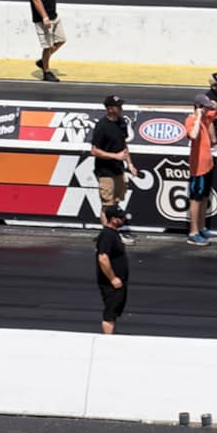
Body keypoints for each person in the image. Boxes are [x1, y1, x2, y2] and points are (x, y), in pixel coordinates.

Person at [88, 95, 135, 240]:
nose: (121, 108)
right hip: (105, 171)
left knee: (116, 202)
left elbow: (124, 146)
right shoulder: (102, 126)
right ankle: (109, 235)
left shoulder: (121, 122)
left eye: (121, 105)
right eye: (118, 106)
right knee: (107, 205)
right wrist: (115, 156)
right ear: (110, 109)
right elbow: (94, 150)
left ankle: (111, 232)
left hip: (118, 169)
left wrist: (130, 164)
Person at [184, 94, 217, 246]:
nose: (207, 109)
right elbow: (193, 134)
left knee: (204, 197)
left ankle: (201, 226)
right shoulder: (192, 120)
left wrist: (215, 106)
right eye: (204, 107)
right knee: (196, 199)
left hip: (207, 164)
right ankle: (193, 232)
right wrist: (198, 117)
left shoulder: (207, 118)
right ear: (198, 107)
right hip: (197, 166)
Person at [29, 0, 66, 82]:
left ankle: (43, 61)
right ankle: (46, 72)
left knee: (61, 40)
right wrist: (44, 17)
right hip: (43, 19)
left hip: (54, 15)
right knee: (47, 46)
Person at [96, 204, 130, 334]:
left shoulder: (113, 234)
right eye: (121, 218)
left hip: (117, 283)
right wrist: (113, 278)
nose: (124, 220)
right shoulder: (107, 235)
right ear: (113, 219)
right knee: (109, 314)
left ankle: (110, 337)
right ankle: (107, 342)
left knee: (113, 312)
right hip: (111, 284)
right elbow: (102, 258)